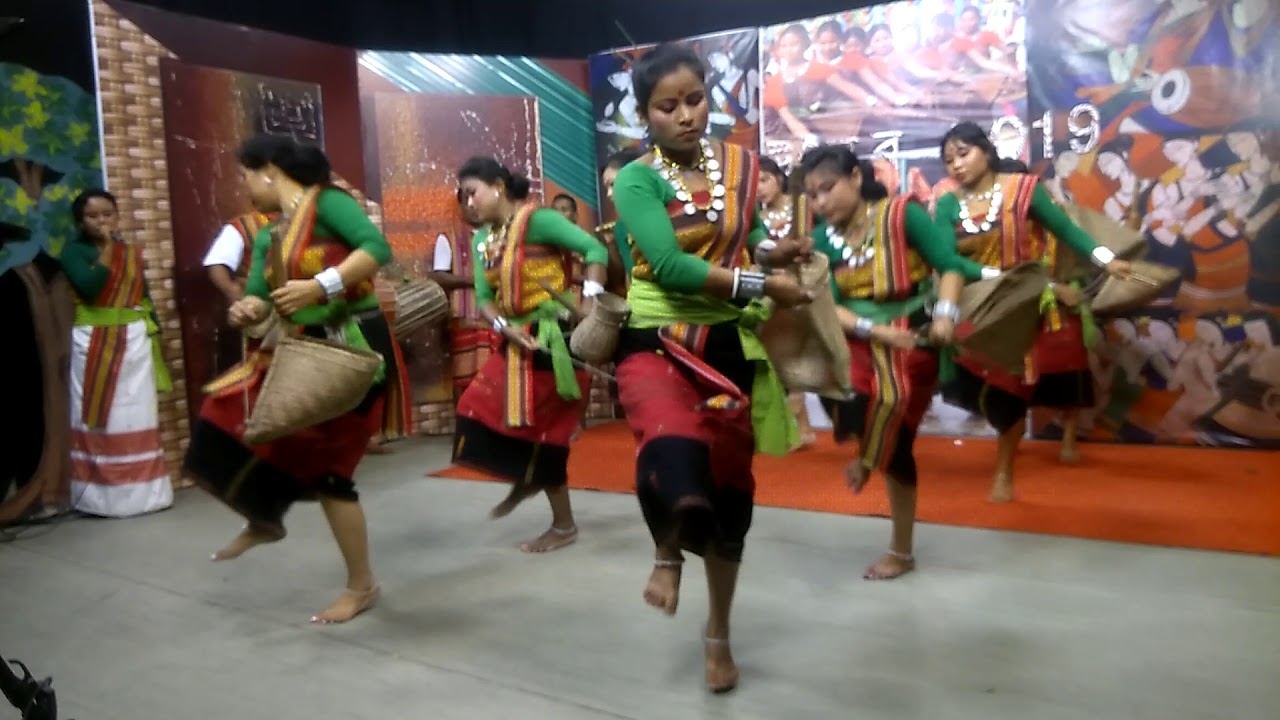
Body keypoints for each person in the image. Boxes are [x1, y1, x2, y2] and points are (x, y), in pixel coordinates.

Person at [610, 43, 813, 694]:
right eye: (667, 107)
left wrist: (779, 250)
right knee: (669, 440)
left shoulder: (740, 166)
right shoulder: (637, 180)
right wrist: (762, 284)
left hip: (726, 346)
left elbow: (744, 233)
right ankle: (666, 551)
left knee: (729, 500)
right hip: (657, 340)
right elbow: (669, 266)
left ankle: (717, 634)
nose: (686, 115)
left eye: (695, 99)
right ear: (646, 115)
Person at [182, 135, 398, 624]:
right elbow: (262, 299)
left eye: (245, 176)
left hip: (354, 350)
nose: (244, 187)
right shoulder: (267, 236)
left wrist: (321, 285)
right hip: (304, 353)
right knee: (227, 412)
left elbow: (375, 248)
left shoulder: (331, 202)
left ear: (270, 170)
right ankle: (264, 516)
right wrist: (247, 308)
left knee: (331, 472)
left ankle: (360, 586)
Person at [934, 122, 1130, 502]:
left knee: (1012, 387)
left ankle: (1004, 470)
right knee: (979, 384)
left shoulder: (1023, 191)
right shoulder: (946, 204)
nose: (956, 165)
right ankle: (1005, 439)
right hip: (975, 304)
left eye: (963, 154)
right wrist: (992, 276)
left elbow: (1066, 230)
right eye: (948, 161)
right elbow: (946, 260)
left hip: (1021, 306)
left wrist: (1106, 260)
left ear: (985, 152)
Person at [798, 145, 968, 580]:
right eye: (812, 195)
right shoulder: (820, 240)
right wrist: (875, 332)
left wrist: (946, 316)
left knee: (898, 416)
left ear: (856, 178)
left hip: (913, 332)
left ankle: (901, 547)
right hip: (858, 337)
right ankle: (868, 455)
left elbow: (949, 267)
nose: (820, 203)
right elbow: (828, 306)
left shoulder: (901, 216)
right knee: (850, 398)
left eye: (828, 189)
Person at [451, 156, 610, 553]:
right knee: (476, 409)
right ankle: (528, 477)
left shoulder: (538, 220)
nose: (468, 203)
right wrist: (505, 328)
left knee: (546, 432)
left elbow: (594, 249)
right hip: (517, 339)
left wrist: (589, 302)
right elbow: (485, 299)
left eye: (473, 192)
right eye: (463, 197)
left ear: (499, 186)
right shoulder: (483, 238)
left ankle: (563, 525)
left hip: (554, 338)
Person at [59, 190, 174, 518]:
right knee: (102, 416)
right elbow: (91, 285)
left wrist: (156, 333)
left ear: (117, 215)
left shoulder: (132, 252)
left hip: (134, 341)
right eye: (93, 216)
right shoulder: (73, 252)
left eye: (107, 214)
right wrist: (109, 248)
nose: (101, 221)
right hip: (95, 340)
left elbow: (145, 296)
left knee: (137, 412)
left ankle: (146, 495)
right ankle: (102, 499)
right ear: (81, 221)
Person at [758, 156, 818, 447]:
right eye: (753, 183)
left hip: (808, 288)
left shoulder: (804, 205)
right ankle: (801, 428)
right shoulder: (755, 215)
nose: (758, 189)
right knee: (780, 356)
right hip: (773, 292)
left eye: (763, 180)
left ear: (778, 178)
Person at [599, 147, 644, 294]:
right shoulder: (620, 228)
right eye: (606, 188)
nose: (609, 194)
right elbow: (630, 276)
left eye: (613, 184)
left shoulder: (671, 212)